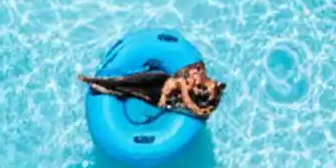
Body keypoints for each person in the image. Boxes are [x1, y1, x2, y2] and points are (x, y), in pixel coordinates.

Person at [78, 60, 226, 119]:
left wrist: (183, 90)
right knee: (128, 81)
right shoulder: (192, 74)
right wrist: (181, 88)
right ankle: (94, 80)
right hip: (162, 81)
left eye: (194, 74)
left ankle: (100, 88)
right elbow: (176, 81)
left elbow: (196, 109)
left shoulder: (204, 95)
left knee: (131, 92)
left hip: (159, 95)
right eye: (193, 73)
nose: (192, 75)